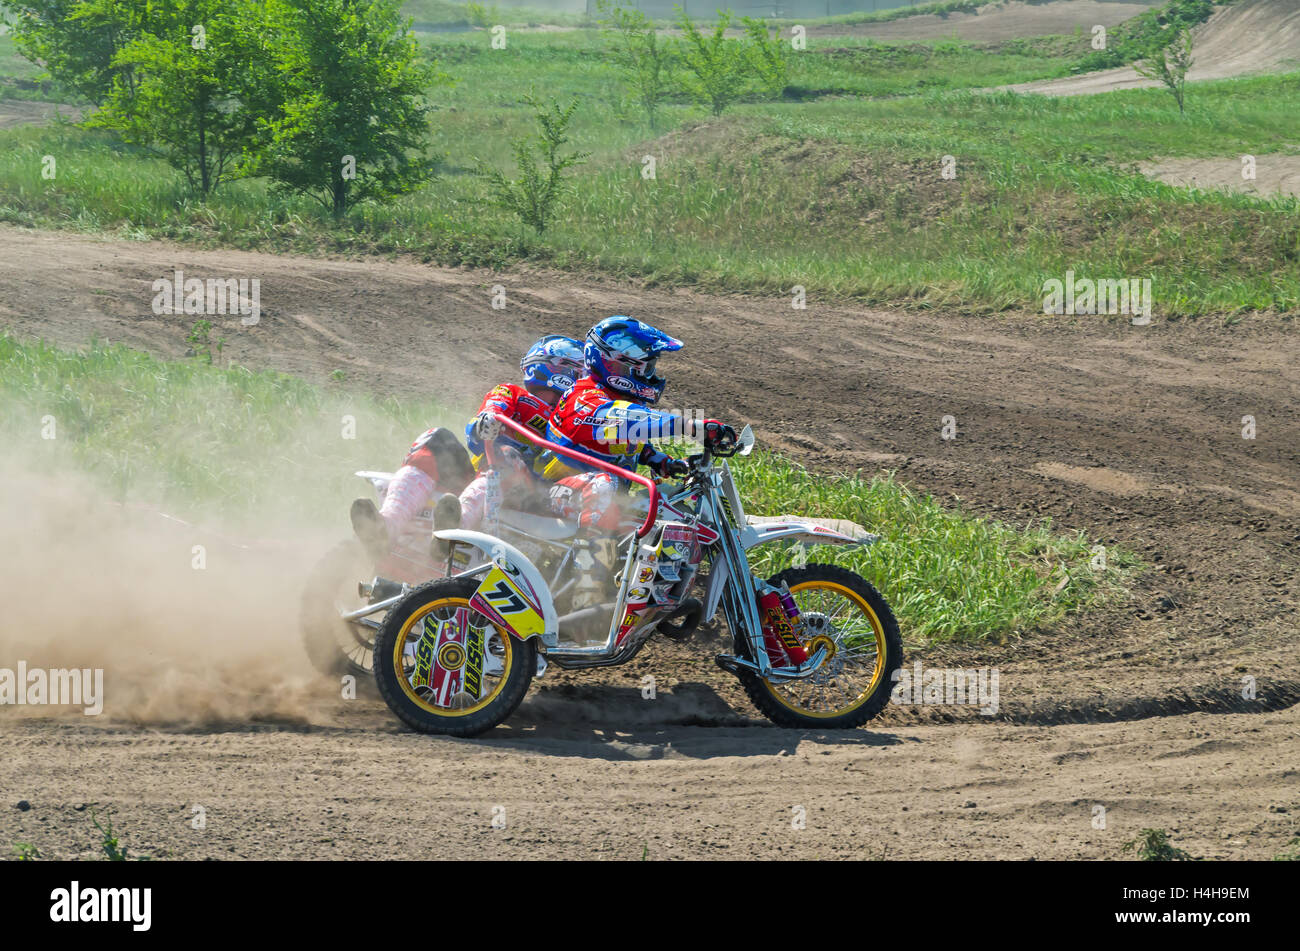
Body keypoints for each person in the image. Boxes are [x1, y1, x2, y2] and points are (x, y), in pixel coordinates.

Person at [537, 316, 735, 596]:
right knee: (602, 485)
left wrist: (661, 461)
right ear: (617, 363)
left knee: (660, 502)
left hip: (590, 502)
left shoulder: (608, 399)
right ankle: (587, 591)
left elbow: (623, 440)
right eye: (647, 367)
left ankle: (652, 588)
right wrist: (692, 426)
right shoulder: (585, 398)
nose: (651, 376)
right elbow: (625, 421)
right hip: (550, 496)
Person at [349, 335, 583, 560]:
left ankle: (453, 532)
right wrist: (488, 421)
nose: (582, 376)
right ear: (558, 368)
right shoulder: (511, 393)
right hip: (482, 478)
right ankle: (386, 527)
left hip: (536, 496)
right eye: (577, 368)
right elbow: (483, 421)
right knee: (436, 437)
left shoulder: (575, 416)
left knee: (508, 456)